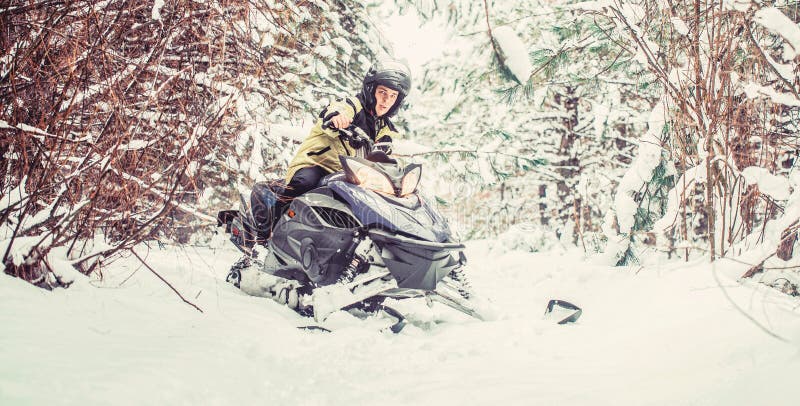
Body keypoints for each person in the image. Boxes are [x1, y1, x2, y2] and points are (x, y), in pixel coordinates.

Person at [249, 58, 412, 241]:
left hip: (350, 175)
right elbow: (335, 110)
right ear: (370, 89)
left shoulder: (385, 128)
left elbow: (386, 154)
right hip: (319, 164)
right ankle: (267, 235)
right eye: (382, 92)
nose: (386, 100)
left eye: (393, 96)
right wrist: (337, 118)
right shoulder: (352, 105)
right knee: (304, 183)